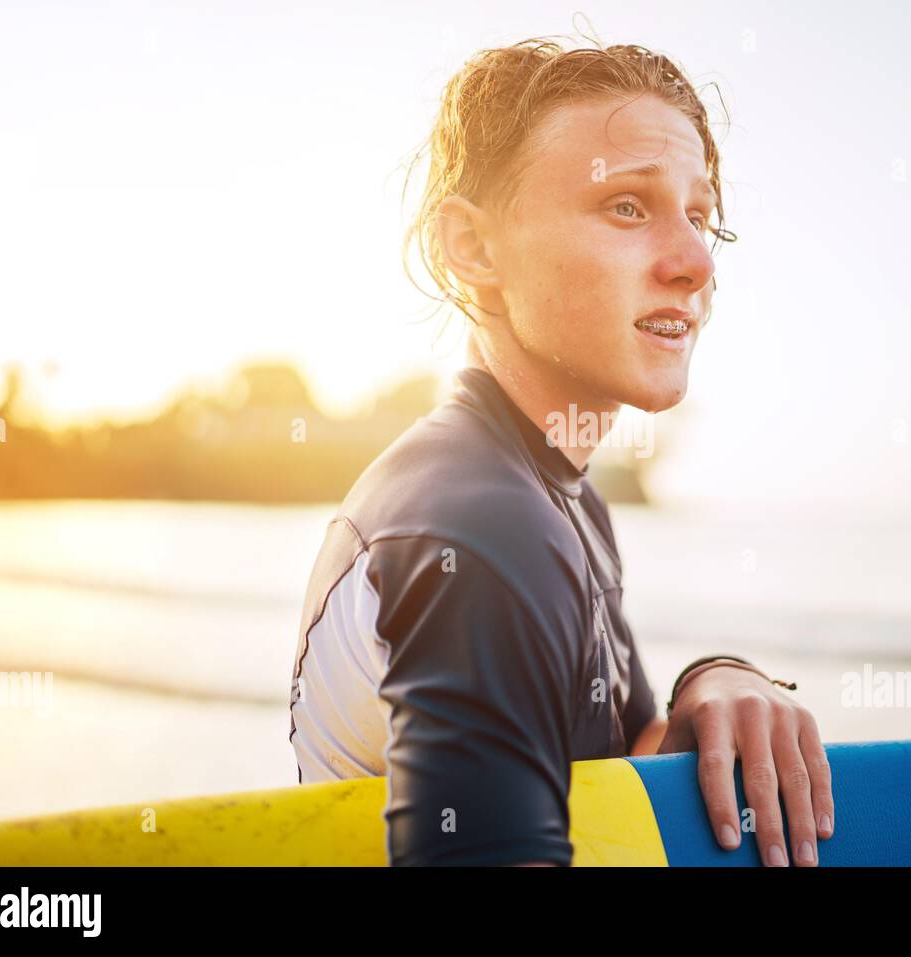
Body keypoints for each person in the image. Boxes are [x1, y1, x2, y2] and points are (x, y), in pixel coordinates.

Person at [288, 35, 834, 866]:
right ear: (472, 250)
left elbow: (607, 767)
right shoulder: (482, 528)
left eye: (700, 215)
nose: (693, 263)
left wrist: (713, 683)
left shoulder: (556, 493)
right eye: (626, 206)